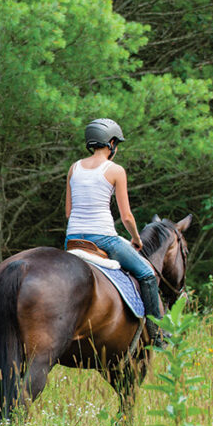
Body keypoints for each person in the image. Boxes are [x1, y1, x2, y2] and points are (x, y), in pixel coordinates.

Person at [64, 118, 163, 345]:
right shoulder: (115, 170)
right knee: (147, 273)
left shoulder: (74, 168)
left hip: (73, 240)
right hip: (104, 239)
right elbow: (127, 217)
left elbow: (69, 212)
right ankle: (156, 334)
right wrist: (136, 239)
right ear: (111, 143)